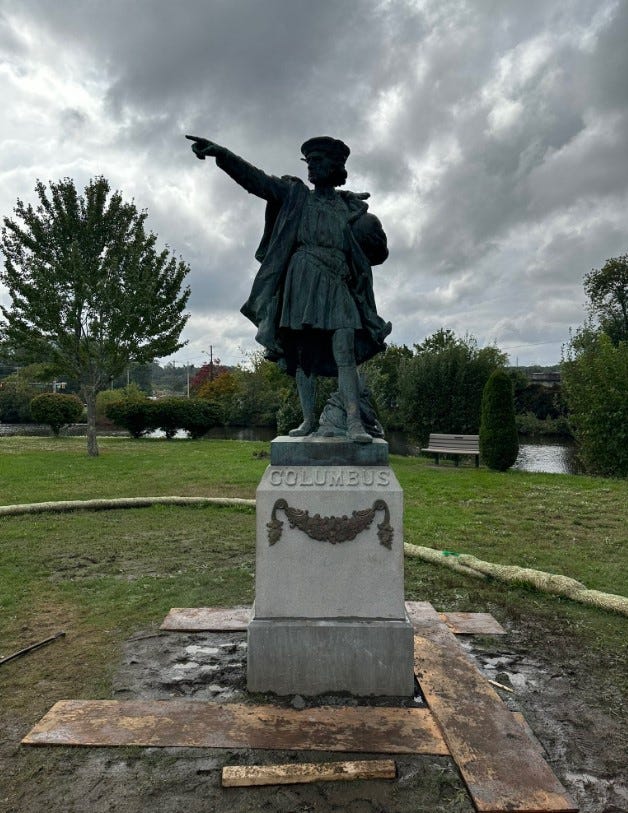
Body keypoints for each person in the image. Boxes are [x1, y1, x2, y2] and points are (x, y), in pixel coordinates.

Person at [186, 134, 391, 443]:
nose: (311, 167)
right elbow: (257, 181)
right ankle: (308, 421)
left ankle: (354, 423)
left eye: (317, 161)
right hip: (303, 280)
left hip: (337, 282)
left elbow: (373, 251)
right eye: (308, 162)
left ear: (335, 167)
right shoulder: (296, 195)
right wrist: (223, 156)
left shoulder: (350, 209)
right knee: (304, 357)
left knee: (345, 349)